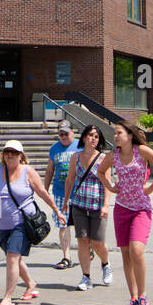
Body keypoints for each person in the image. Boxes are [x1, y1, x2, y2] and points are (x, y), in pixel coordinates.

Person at [96, 121, 153, 305]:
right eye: (114, 134)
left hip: (141, 209)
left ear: (130, 135)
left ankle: (143, 296)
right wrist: (111, 186)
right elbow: (100, 171)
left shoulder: (142, 151)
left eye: (119, 133)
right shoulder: (113, 156)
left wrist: (151, 188)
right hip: (122, 209)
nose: (115, 136)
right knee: (126, 255)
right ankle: (133, 298)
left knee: (137, 251)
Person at [0, 139, 65, 305]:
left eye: (14, 153)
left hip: (21, 222)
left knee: (12, 257)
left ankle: (7, 297)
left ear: (21, 156)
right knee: (15, 258)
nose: (10, 155)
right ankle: (31, 284)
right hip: (3, 221)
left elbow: (42, 192)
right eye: (7, 152)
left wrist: (57, 211)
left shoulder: (28, 171)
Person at [64, 124, 113, 290]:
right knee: (83, 241)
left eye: (96, 136)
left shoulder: (103, 158)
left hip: (97, 205)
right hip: (79, 204)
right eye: (91, 135)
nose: (93, 139)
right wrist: (65, 201)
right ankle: (86, 277)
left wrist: (106, 205)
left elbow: (107, 183)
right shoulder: (75, 157)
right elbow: (70, 179)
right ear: (84, 137)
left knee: (98, 242)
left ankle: (105, 264)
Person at [44, 122, 79, 269]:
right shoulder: (54, 148)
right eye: (61, 134)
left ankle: (87, 247)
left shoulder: (80, 145)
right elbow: (50, 170)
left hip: (79, 191)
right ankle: (66, 257)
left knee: (82, 224)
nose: (63, 136)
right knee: (63, 225)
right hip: (59, 192)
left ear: (73, 132)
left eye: (66, 133)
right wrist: (44, 189)